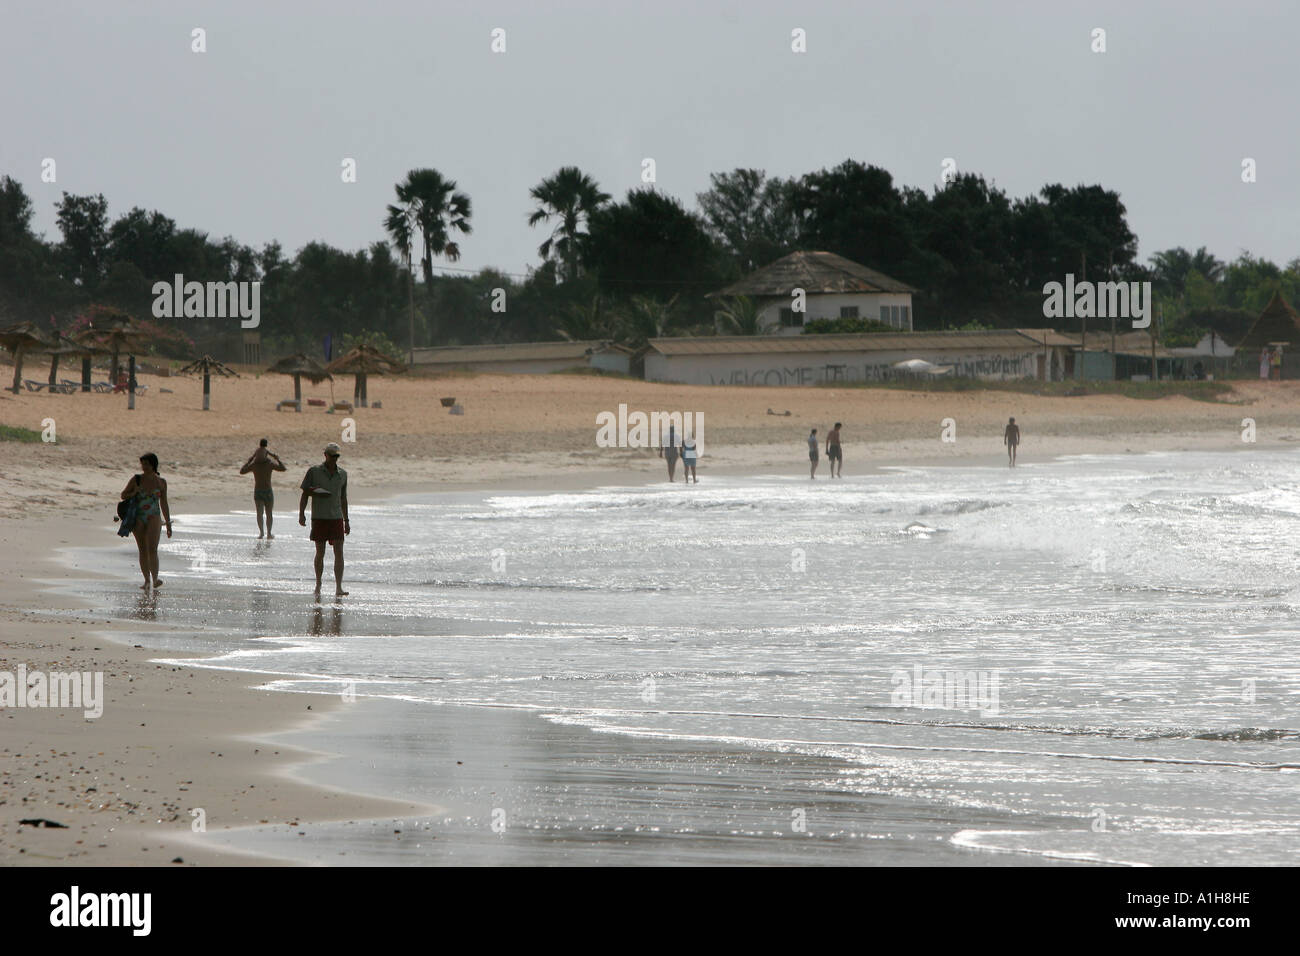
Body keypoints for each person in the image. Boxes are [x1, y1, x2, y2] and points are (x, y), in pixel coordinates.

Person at [299, 442, 350, 598]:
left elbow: (343, 499)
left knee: (339, 552)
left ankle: (339, 587)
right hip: (319, 517)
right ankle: (318, 583)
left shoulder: (343, 474)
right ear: (325, 455)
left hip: (336, 517)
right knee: (320, 552)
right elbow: (305, 492)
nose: (335, 459)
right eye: (332, 456)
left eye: (337, 456)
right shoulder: (314, 472)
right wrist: (301, 513)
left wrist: (346, 521)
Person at [120, 452, 171, 590]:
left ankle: (155, 579)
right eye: (142, 464)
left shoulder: (161, 482)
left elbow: (164, 503)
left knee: (152, 549)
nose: (144, 467)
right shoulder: (136, 479)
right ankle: (147, 580)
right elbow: (123, 495)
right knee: (142, 549)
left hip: (154, 516)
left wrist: (168, 523)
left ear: (153, 465)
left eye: (147, 464)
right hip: (138, 517)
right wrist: (134, 492)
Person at [240, 438, 286, 538]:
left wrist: (250, 460)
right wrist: (277, 458)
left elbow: (242, 471)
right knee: (268, 513)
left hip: (259, 491)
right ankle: (268, 533)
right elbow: (283, 468)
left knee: (260, 513)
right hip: (267, 491)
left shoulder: (254, 465)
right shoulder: (269, 464)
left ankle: (262, 533)